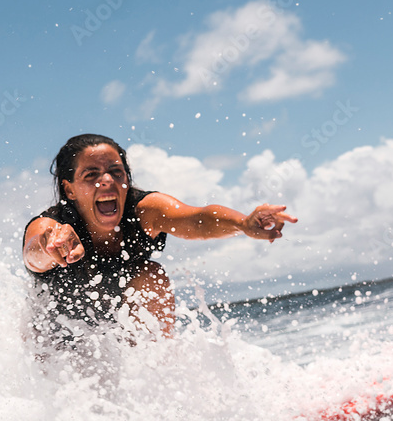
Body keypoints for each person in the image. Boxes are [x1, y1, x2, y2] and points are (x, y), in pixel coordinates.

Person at [23, 133, 297, 348]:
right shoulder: (52, 225)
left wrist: (243, 223)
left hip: (118, 328)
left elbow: (197, 219)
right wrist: (49, 245)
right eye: (91, 174)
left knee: (151, 275)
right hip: (55, 335)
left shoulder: (143, 210)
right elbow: (32, 256)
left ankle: (155, 384)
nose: (107, 180)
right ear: (69, 189)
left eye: (116, 172)